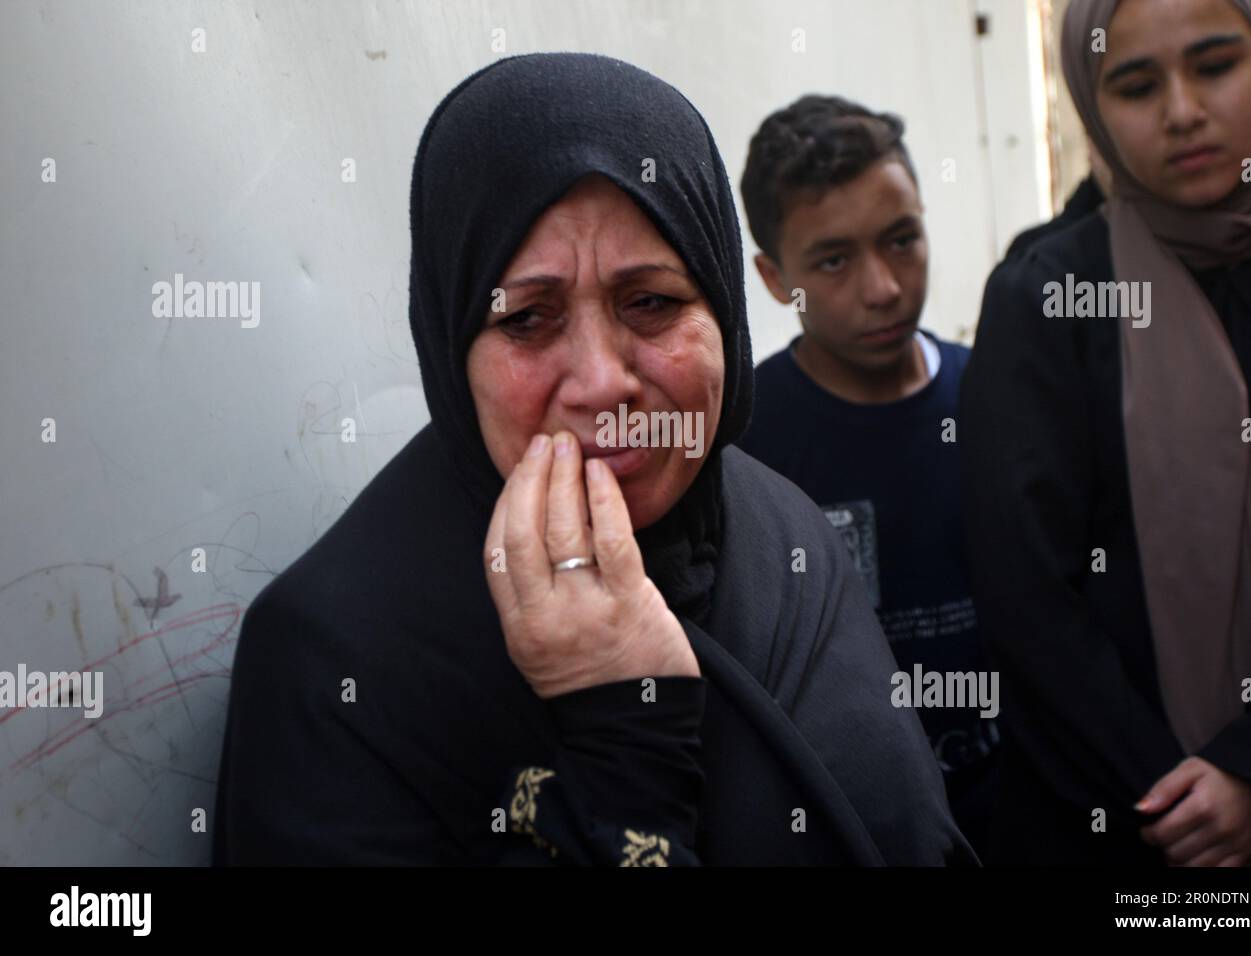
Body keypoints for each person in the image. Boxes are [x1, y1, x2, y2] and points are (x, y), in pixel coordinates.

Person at [212, 53, 975, 866]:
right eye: (529, 318)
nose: (604, 382)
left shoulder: (783, 537)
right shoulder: (334, 663)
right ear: (451, 341)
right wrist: (624, 745)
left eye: (651, 302)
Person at [961, 0, 1251, 866]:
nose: (1182, 110)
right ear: (1090, 99)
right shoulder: (1045, 296)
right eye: (1137, 84)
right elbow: (1025, 595)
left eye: (1216, 65)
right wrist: (1185, 794)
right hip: (1117, 818)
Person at [736, 95, 999, 858]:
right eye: (833, 259)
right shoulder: (746, 448)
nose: (883, 287)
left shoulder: (997, 399)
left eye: (902, 240)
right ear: (776, 276)